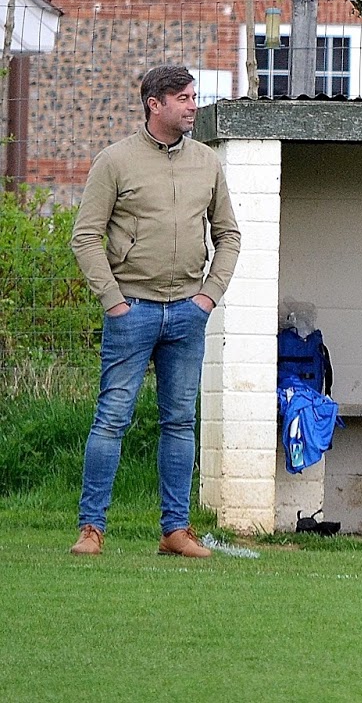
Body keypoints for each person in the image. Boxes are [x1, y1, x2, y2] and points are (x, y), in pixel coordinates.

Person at [68, 65, 241, 558]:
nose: (193, 106)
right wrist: (114, 302)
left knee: (180, 422)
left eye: (194, 97)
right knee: (111, 420)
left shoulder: (207, 162)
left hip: (188, 312)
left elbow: (228, 234)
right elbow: (85, 238)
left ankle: (175, 531)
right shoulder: (115, 161)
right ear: (155, 104)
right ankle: (91, 529)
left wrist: (208, 296)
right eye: (184, 99)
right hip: (131, 312)